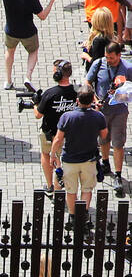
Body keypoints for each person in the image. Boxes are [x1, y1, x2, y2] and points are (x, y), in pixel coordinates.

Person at [51, 87, 109, 215]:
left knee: (71, 191)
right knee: (86, 189)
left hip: (70, 160)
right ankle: (83, 215)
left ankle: (72, 215)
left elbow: (58, 139)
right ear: (91, 101)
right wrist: (97, 112)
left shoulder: (67, 117)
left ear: (77, 100)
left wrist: (52, 155)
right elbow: (104, 135)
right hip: (89, 160)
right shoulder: (98, 116)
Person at [1, 0, 57, 91]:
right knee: (33, 51)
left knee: (10, 52)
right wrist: (52, 0)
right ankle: (28, 77)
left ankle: (8, 81)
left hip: (11, 31)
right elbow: (42, 16)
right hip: (28, 33)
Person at [85, 40, 132, 189]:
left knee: (118, 144)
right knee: (103, 140)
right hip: (101, 111)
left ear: (119, 55)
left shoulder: (128, 68)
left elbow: (130, 93)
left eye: (111, 58)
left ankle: (118, 175)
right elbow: (87, 82)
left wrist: (120, 93)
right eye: (106, 57)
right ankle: (105, 163)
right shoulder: (99, 64)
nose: (108, 60)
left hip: (119, 112)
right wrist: (94, 99)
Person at [36, 59, 78, 196]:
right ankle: (61, 185)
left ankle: (50, 187)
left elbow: (38, 115)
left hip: (50, 134)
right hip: (71, 135)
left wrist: (34, 104)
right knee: (63, 161)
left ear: (58, 74)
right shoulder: (77, 91)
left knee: (47, 155)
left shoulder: (50, 93)